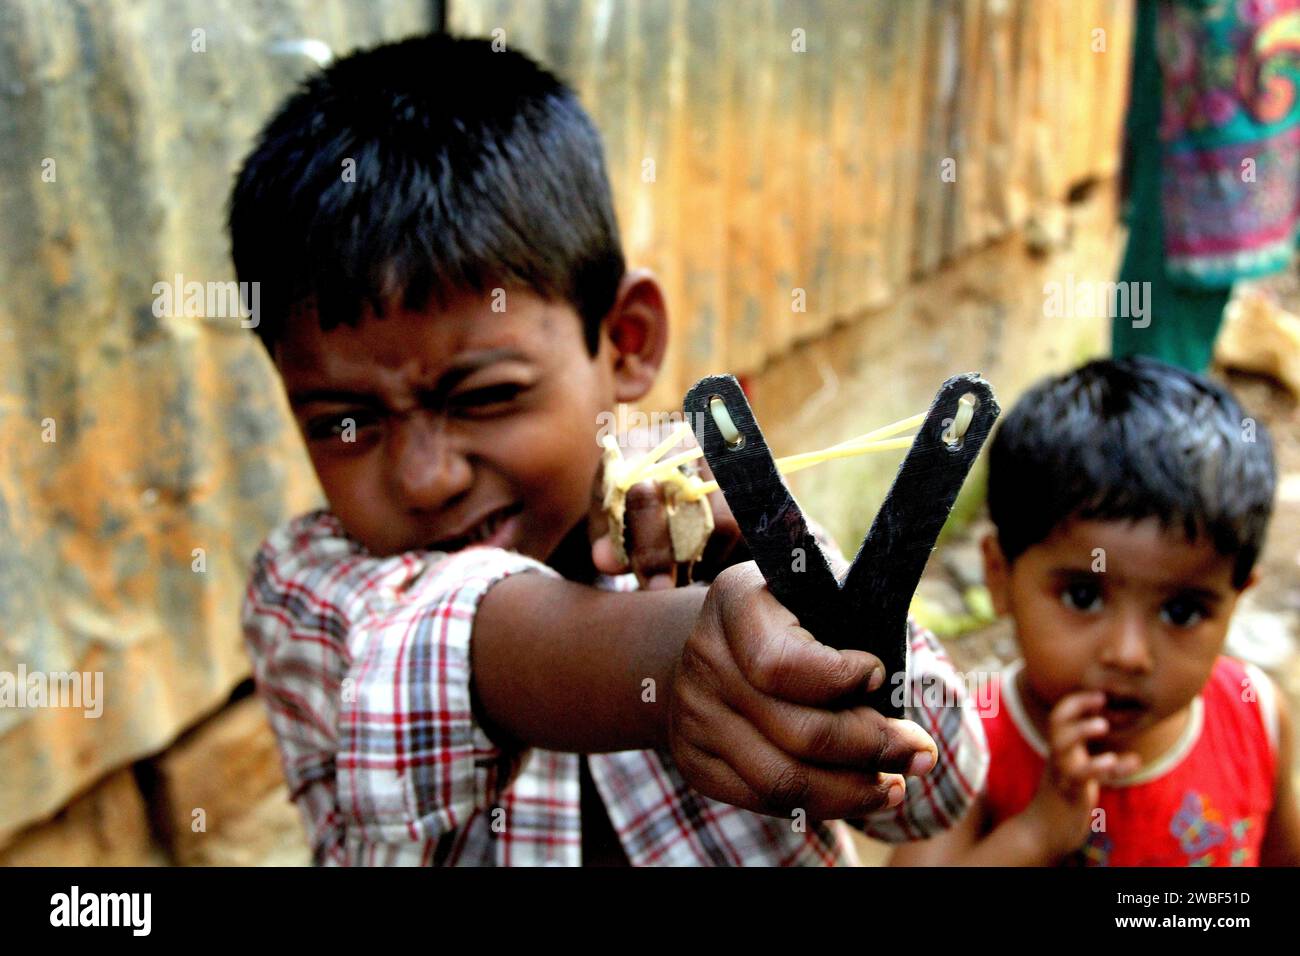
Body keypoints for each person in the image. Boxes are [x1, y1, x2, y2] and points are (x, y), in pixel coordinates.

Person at [230, 33, 986, 866]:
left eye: (483, 398)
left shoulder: (732, 531)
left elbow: (936, 798)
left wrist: (808, 606)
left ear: (625, 342)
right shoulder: (305, 595)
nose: (425, 478)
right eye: (346, 422)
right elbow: (456, 634)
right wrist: (682, 654)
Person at [892, 357, 1300, 866]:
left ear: (1237, 598)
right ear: (1000, 577)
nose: (1129, 656)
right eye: (1083, 597)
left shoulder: (1256, 719)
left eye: (1182, 611)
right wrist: (1034, 836)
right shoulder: (966, 742)